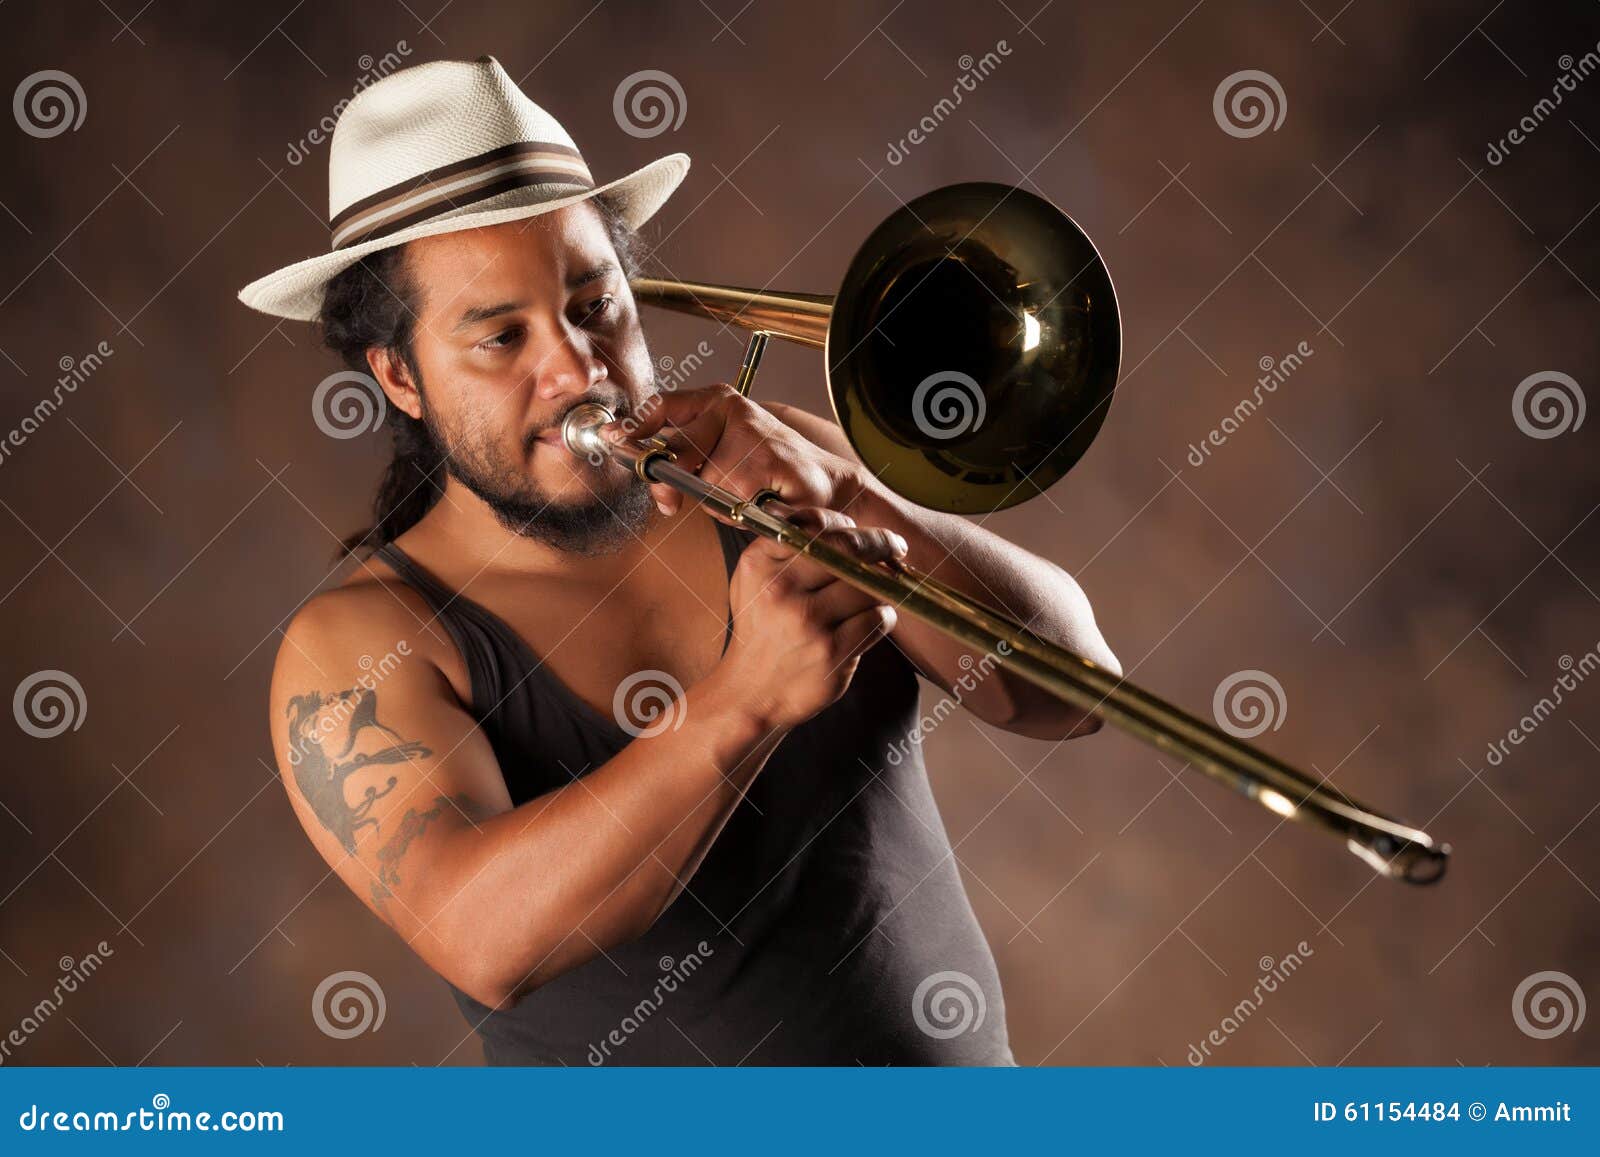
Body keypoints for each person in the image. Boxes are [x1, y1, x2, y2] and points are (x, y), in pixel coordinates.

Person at [239, 55, 1119, 1065]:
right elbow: (484, 939)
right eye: (501, 336)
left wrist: (857, 497)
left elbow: (1072, 692)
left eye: (594, 304)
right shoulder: (358, 641)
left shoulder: (775, 460)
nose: (575, 370)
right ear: (398, 375)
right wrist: (741, 700)